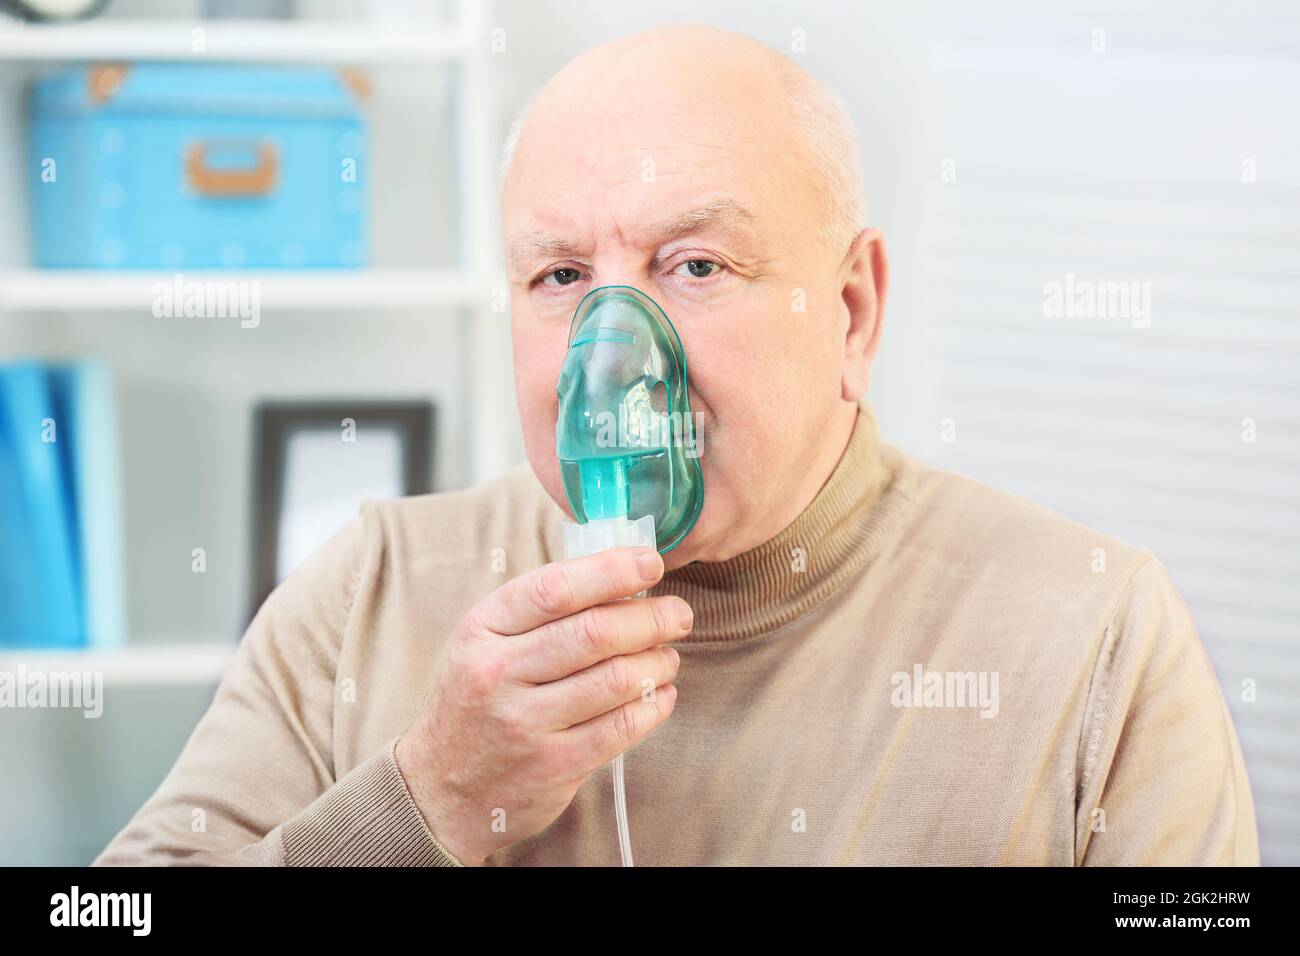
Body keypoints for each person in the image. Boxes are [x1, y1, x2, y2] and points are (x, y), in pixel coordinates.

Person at [96, 24, 1258, 867]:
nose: (614, 352)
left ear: (850, 310)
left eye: (693, 265)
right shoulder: (374, 588)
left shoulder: (1091, 635)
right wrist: (425, 803)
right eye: (561, 277)